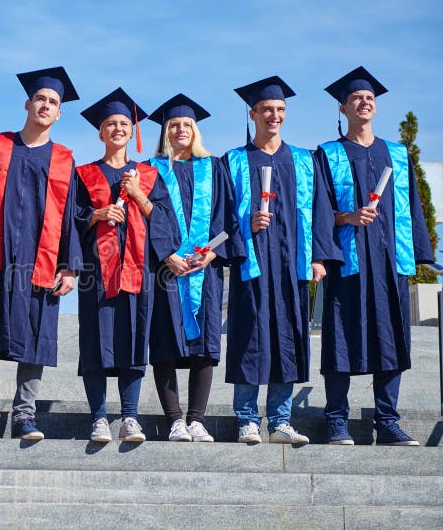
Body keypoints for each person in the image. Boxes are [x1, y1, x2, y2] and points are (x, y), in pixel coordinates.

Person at [316, 67, 434, 446]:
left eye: (370, 99)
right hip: (347, 260)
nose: (364, 102)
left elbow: (413, 207)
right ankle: (336, 420)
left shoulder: (396, 154)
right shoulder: (328, 154)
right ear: (342, 107)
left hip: (387, 261)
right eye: (356, 99)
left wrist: (419, 255)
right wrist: (347, 217)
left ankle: (387, 421)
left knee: (392, 338)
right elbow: (318, 208)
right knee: (341, 338)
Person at [0, 67, 83, 440]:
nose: (46, 106)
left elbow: (69, 218)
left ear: (59, 113)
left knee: (36, 335)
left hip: (41, 261)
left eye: (53, 102)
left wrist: (70, 267)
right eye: (41, 99)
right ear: (27, 103)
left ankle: (24, 415)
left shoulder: (64, 159)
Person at [224, 76, 339, 445]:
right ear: (253, 113)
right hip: (252, 263)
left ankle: (280, 420)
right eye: (267, 109)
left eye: (280, 110)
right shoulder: (234, 161)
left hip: (293, 265)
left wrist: (321, 257)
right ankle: (246, 418)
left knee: (286, 338)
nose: (274, 115)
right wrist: (247, 223)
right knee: (248, 338)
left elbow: (322, 210)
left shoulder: (305, 160)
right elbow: (222, 215)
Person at [74, 88, 180, 443]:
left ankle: (130, 417)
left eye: (123, 123)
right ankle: (99, 417)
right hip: (97, 274)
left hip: (138, 271)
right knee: (96, 340)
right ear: (100, 132)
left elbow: (167, 223)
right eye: (110, 124)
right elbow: (68, 221)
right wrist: (96, 215)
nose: (117, 129)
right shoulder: (84, 174)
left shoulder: (147, 176)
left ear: (133, 131)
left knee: (134, 339)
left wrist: (137, 195)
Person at [146, 94, 245, 442]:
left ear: (195, 130)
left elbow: (228, 217)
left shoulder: (214, 167)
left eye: (187, 125)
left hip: (205, 269)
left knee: (204, 344)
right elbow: (147, 221)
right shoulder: (151, 169)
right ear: (166, 131)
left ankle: (196, 420)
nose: (181, 129)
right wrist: (165, 254)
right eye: (174, 125)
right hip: (166, 270)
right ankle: (174, 420)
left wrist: (214, 255)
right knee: (164, 341)